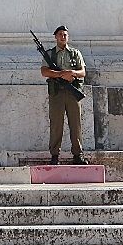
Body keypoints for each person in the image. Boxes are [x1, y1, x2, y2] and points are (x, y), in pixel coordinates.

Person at [40, 24, 86, 165]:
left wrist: (71, 73)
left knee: (75, 124)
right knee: (56, 124)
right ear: (55, 37)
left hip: (72, 92)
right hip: (57, 93)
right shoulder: (50, 54)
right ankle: (54, 155)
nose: (63, 36)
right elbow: (44, 72)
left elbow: (82, 72)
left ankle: (78, 155)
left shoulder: (75, 53)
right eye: (60, 34)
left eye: (65, 34)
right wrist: (61, 74)